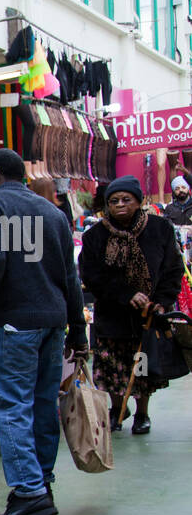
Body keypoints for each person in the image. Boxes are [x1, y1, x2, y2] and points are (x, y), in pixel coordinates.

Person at [0, 148, 88, 515]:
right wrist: (78, 331)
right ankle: (41, 485)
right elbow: (70, 278)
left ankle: (28, 492)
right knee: (42, 406)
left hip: (13, 325)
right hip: (53, 324)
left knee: (10, 407)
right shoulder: (53, 213)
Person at [77, 175, 185, 435]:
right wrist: (125, 295)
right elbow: (92, 275)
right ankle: (117, 409)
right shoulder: (95, 236)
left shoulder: (159, 229)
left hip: (147, 316)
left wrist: (161, 302)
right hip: (112, 314)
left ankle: (142, 413)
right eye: (114, 201)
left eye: (126, 199)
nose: (120, 205)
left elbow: (173, 269)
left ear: (139, 201)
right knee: (112, 366)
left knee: (142, 366)